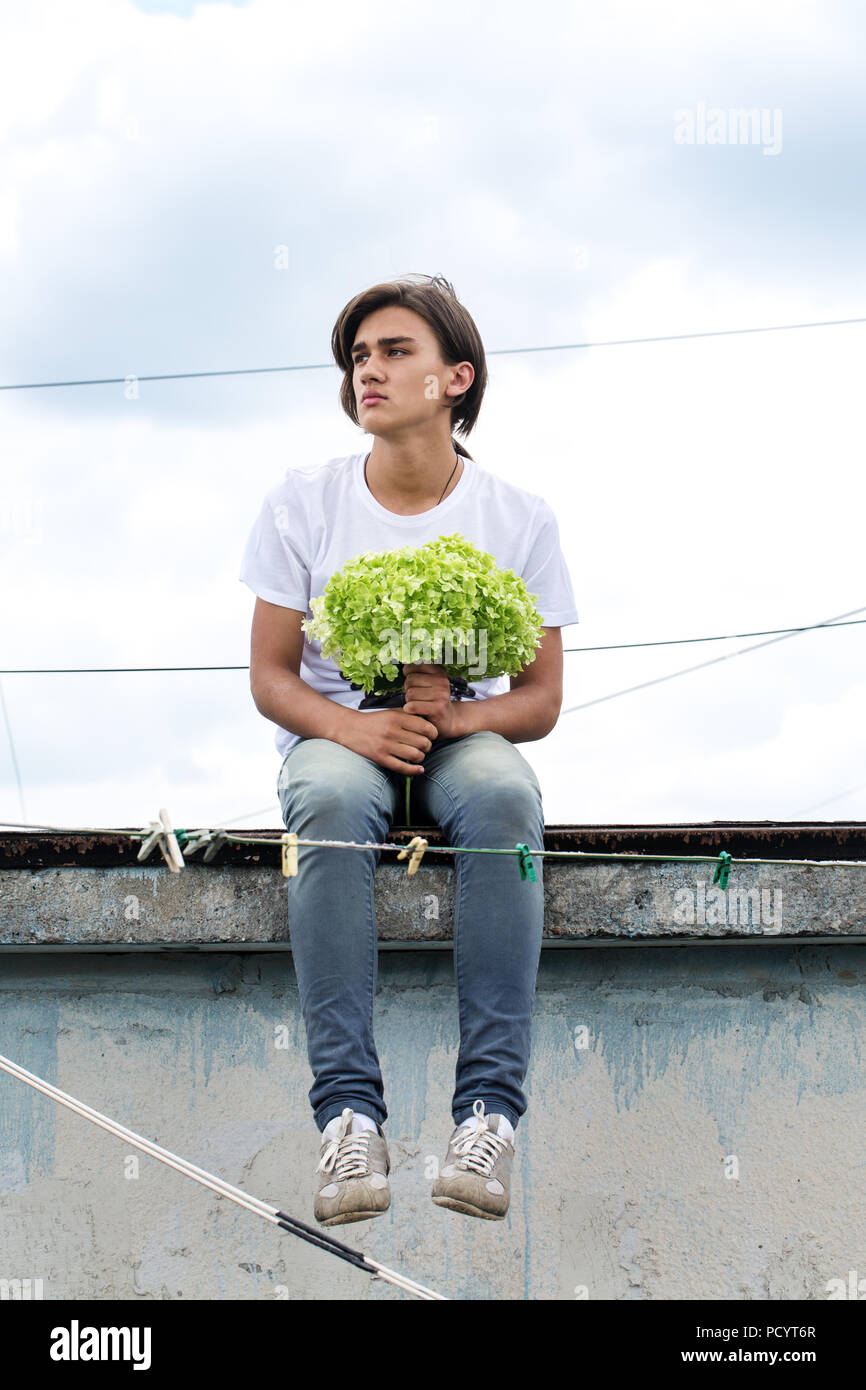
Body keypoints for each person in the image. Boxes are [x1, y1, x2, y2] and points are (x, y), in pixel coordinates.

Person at [239, 273, 579, 1225]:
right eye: (358, 358)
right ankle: (348, 1119)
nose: (369, 373)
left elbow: (543, 699)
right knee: (330, 803)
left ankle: (489, 1118)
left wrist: (454, 715)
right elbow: (271, 677)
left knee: (509, 800)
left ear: (455, 379)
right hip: (341, 742)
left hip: (459, 742)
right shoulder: (301, 504)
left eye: (395, 353)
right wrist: (356, 725)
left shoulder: (519, 517)